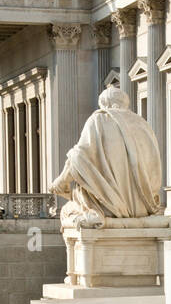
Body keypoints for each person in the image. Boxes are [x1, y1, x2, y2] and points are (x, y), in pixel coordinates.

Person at [51, 86, 163, 225]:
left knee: (67, 211)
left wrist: (61, 182)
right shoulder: (143, 124)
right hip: (142, 208)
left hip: (107, 207)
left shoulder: (98, 119)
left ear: (104, 103)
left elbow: (79, 156)